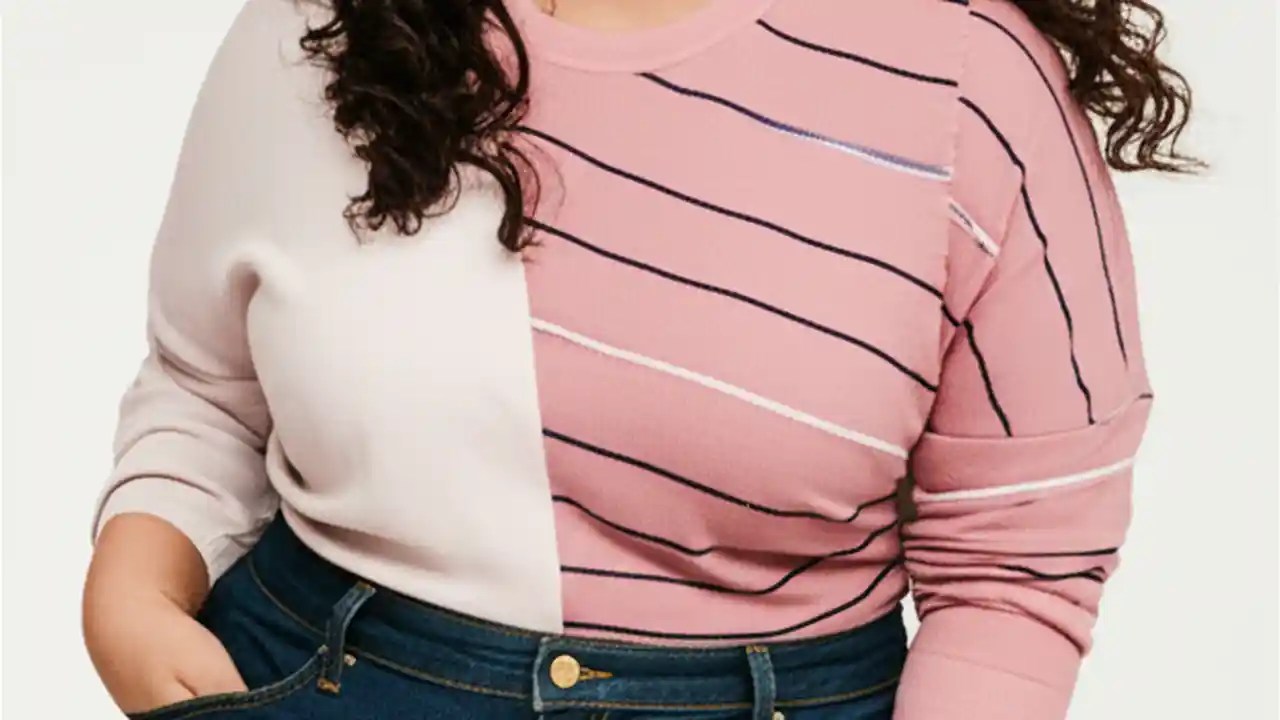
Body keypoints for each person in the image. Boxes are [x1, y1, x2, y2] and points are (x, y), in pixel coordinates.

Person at [82, 0, 1194, 718]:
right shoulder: (325, 24)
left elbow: (1016, 562)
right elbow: (208, 389)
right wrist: (129, 598)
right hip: (312, 674)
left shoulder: (964, 78)